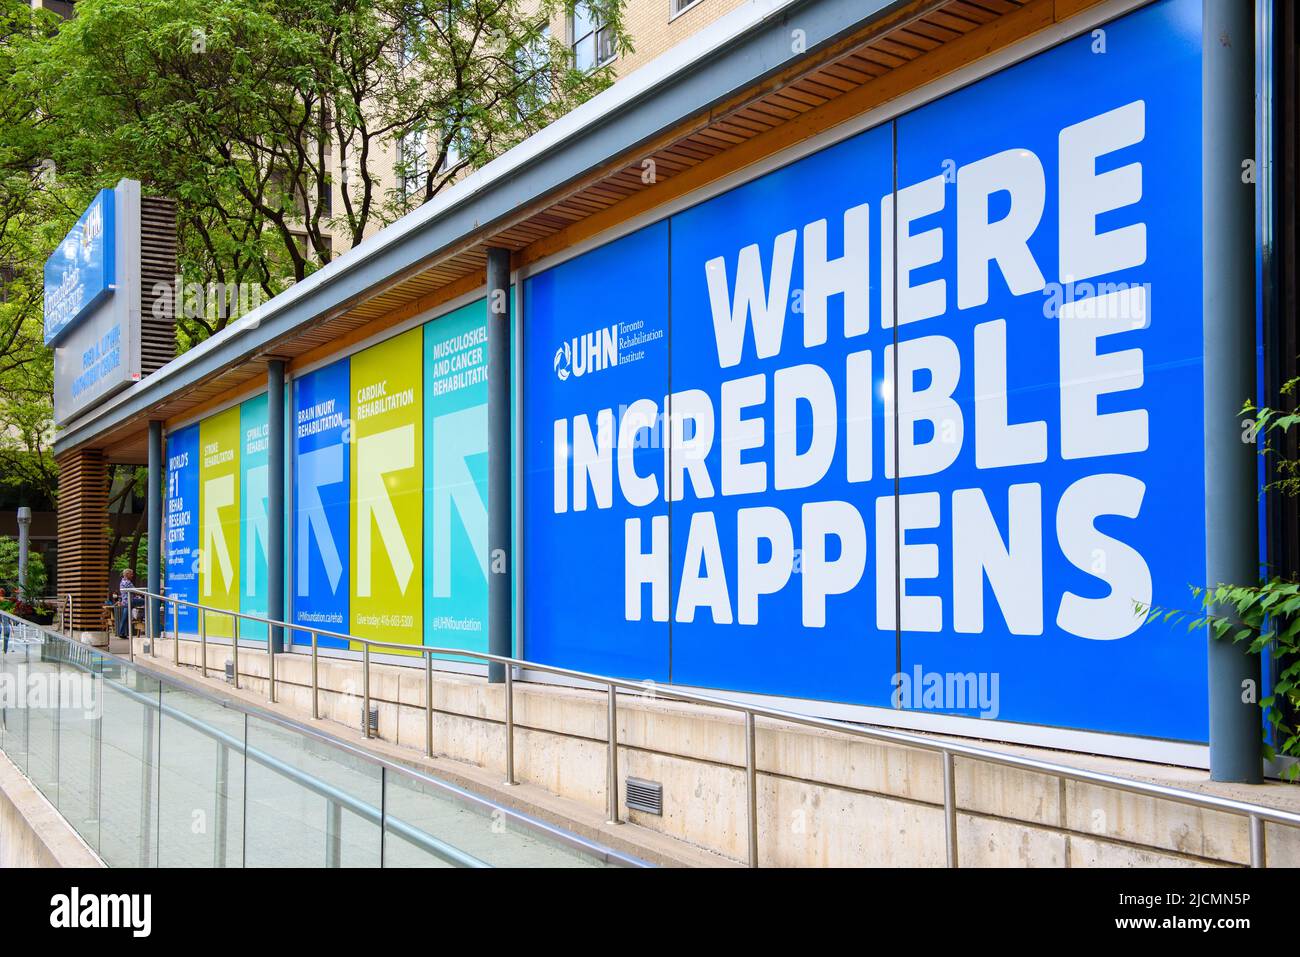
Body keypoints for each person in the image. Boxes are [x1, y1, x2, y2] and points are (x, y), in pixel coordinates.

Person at [116, 568, 139, 640]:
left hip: (125, 602)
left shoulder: (122, 581)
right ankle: (145, 617)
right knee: (145, 601)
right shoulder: (127, 582)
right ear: (127, 574)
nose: (132, 575)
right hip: (129, 601)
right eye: (131, 574)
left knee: (125, 618)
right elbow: (136, 590)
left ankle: (121, 633)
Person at [0, 587, 11, 654]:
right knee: (6, 631)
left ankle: (5, 650)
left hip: (4, 620)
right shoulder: (6, 602)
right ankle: (5, 650)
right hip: (5, 621)